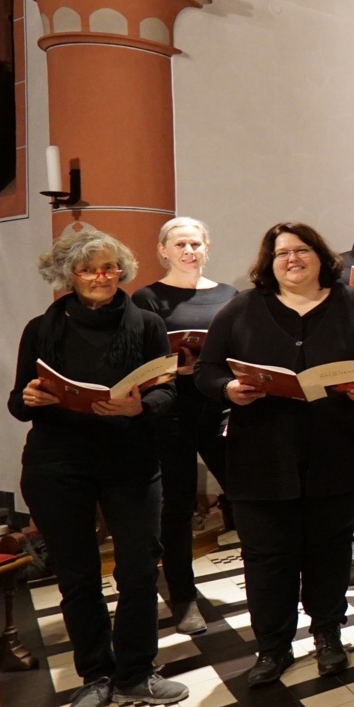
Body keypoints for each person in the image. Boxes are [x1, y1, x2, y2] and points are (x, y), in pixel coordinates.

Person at [195, 222, 354, 686]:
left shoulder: (353, 304)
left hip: (337, 452)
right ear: (269, 261)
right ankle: (272, 646)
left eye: (302, 250)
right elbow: (206, 371)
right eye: (282, 253)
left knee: (328, 550)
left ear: (320, 256)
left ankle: (328, 635)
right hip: (261, 456)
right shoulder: (242, 309)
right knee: (267, 555)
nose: (292, 259)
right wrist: (229, 388)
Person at [10, 230, 184, 707]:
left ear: (122, 271)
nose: (100, 278)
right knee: (77, 574)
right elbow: (17, 403)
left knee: (136, 567)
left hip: (129, 461)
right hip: (58, 463)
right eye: (88, 270)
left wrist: (138, 406)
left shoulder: (147, 324)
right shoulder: (41, 329)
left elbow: (168, 396)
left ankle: (135, 670)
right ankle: (96, 675)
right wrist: (31, 399)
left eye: (109, 268)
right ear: (70, 275)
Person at [133, 217, 238, 636]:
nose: (189, 250)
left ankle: (271, 578)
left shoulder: (229, 296)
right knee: (177, 507)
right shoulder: (147, 297)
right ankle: (183, 597)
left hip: (220, 407)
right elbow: (139, 356)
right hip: (172, 411)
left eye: (196, 243)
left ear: (207, 247)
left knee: (247, 491)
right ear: (162, 250)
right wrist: (175, 367)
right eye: (180, 244)